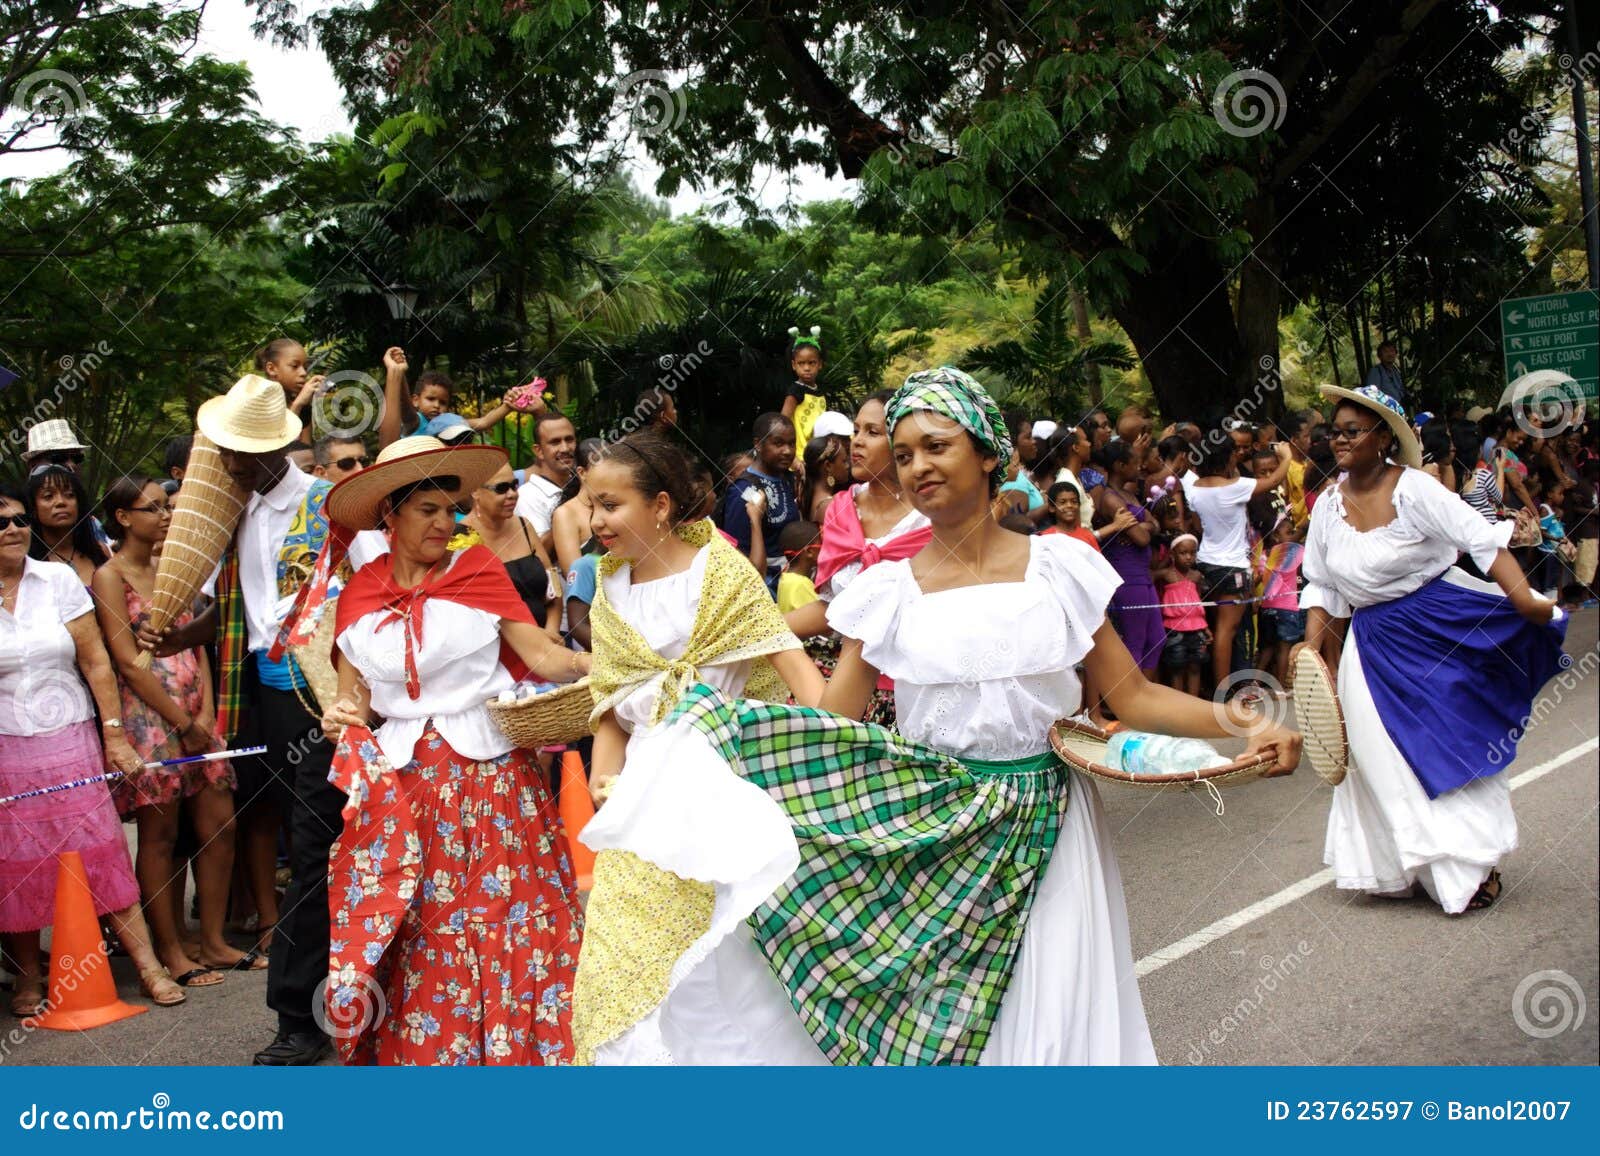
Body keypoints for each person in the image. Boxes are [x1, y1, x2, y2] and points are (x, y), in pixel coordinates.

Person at [571, 368, 1301, 1066]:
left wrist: (1244, 722)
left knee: (1054, 1014)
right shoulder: (884, 591)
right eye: (906, 450)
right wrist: (709, 735)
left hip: (1054, 828)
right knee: (945, 1028)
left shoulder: (1058, 568)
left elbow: (1136, 697)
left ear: (988, 455)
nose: (918, 465)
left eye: (938, 446)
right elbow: (833, 723)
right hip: (933, 829)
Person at [312, 436, 588, 1064]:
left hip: (493, 779)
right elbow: (354, 699)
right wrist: (339, 715)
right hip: (403, 790)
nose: (447, 523)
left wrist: (611, 666)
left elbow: (544, 655)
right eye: (428, 510)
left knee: (505, 915)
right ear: (391, 515)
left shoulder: (477, 571)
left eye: (452, 510)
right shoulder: (359, 595)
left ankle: (524, 1054)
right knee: (422, 924)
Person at [138, 376, 342, 1064]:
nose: (219, 461)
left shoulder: (328, 507)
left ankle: (300, 1019)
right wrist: (181, 637)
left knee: (313, 853)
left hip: (323, 702)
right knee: (293, 841)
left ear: (266, 454)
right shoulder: (234, 513)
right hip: (254, 697)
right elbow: (239, 614)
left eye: (232, 452)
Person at [1302, 385, 1565, 914]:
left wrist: (1525, 600)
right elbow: (1323, 586)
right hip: (1369, 646)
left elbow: (1481, 538)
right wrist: (1312, 662)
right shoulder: (1327, 506)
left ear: (1384, 439)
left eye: (1353, 431)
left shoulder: (1415, 490)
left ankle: (1471, 865)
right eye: (1335, 432)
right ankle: (1407, 864)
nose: (1340, 440)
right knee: (1383, 761)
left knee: (1448, 746)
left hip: (1437, 630)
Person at [1, 486, 189, 1014]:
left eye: (19, 519)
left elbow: (98, 662)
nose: (14, 529)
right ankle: (28, 980)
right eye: (1, 523)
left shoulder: (57, 579)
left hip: (73, 738)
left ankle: (148, 968)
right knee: (17, 863)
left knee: (100, 850)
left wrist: (113, 734)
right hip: (7, 749)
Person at [93, 477, 254, 985]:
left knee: (220, 823)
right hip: (150, 718)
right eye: (154, 508)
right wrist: (183, 723)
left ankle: (211, 940)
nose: (166, 516)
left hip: (197, 712)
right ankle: (169, 949)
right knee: (160, 837)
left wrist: (205, 717)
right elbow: (128, 662)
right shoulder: (108, 575)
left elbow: (198, 643)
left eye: (167, 508)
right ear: (122, 517)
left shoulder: (172, 567)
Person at [783, 391, 931, 726]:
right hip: (838, 682)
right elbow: (833, 606)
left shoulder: (932, 518)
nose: (857, 442)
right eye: (856, 430)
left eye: (872, 432)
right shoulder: (840, 509)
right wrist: (765, 630)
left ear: (903, 445)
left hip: (910, 690)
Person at [1182, 435, 1290, 693]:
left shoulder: (1194, 487)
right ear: (1228, 457)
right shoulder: (1236, 486)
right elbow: (1274, 481)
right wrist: (1286, 458)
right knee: (1226, 631)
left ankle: (1224, 686)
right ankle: (1223, 692)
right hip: (1232, 567)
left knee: (1220, 626)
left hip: (1207, 563)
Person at [455, 461, 564, 635]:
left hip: (546, 641)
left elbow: (553, 582)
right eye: (501, 488)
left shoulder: (524, 525)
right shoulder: (459, 539)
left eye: (514, 486)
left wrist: (552, 631)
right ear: (475, 491)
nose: (512, 494)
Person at [1093, 440, 1163, 677]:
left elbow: (1154, 525)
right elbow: (1142, 538)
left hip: (1143, 574)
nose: (1139, 466)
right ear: (1120, 465)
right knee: (1135, 640)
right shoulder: (1110, 498)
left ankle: (1147, 694)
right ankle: (1132, 703)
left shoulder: (1129, 493)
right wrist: (1146, 528)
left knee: (1156, 638)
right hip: (1126, 573)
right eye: (1134, 462)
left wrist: (1146, 527)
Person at [721, 413, 800, 590]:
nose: (787, 451)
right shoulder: (745, 490)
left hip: (791, 583)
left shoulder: (787, 479)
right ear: (758, 444)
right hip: (763, 588)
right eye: (778, 443)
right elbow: (738, 555)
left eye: (792, 443)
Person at [27, 464, 109, 587]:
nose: (61, 502)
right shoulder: (26, 562)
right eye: (48, 496)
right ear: (33, 508)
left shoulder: (100, 551)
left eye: (69, 495)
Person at [514, 411, 579, 556]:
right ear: (539, 451)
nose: (565, 448)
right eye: (555, 442)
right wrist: (569, 506)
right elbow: (539, 552)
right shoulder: (527, 496)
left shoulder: (584, 484)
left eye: (569, 440)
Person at [1154, 533, 1208, 697]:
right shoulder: (1167, 574)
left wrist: (1206, 629)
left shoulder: (1197, 576)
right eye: (1183, 553)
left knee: (1195, 666)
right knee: (1176, 667)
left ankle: (1194, 701)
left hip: (1197, 628)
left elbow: (1197, 603)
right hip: (1174, 629)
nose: (1188, 557)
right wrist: (1166, 562)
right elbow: (1150, 574)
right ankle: (1180, 703)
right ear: (1172, 554)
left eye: (1192, 553)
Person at [1255, 518, 1304, 691]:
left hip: (1267, 608)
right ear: (1276, 535)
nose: (1292, 535)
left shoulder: (1266, 555)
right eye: (1289, 532)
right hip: (1286, 608)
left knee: (1267, 648)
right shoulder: (1290, 553)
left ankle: (1256, 683)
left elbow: (1259, 578)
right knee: (1284, 648)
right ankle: (1280, 688)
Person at [255, 338, 321, 441]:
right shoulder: (256, 405)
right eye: (295, 366)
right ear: (271, 369)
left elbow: (305, 451)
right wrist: (298, 405)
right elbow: (274, 446)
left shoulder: (303, 408)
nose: (303, 373)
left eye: (305, 367)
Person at [781, 326, 827, 447]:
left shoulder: (820, 391)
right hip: (800, 453)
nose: (807, 368)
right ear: (794, 365)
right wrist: (792, 456)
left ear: (820, 364)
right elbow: (783, 422)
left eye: (812, 363)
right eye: (801, 363)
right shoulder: (795, 391)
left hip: (817, 451)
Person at [801, 433, 851, 524]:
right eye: (844, 461)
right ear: (828, 466)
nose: (848, 466)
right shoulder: (830, 506)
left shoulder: (805, 495)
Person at [1041, 481, 1105, 550]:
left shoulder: (1087, 535)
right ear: (1052, 508)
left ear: (1079, 505)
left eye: (1074, 501)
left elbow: (1097, 560)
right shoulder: (1046, 537)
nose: (1069, 505)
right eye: (1063, 502)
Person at [776, 520, 822, 614]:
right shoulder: (801, 585)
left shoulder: (786, 575)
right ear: (809, 551)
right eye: (821, 544)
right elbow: (821, 617)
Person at [1362, 340, 1405, 405]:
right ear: (1380, 356)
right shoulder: (1376, 371)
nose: (1389, 354)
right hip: (1385, 408)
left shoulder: (1396, 371)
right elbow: (1372, 394)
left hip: (1398, 408)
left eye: (1392, 351)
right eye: (1386, 351)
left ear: (1395, 354)